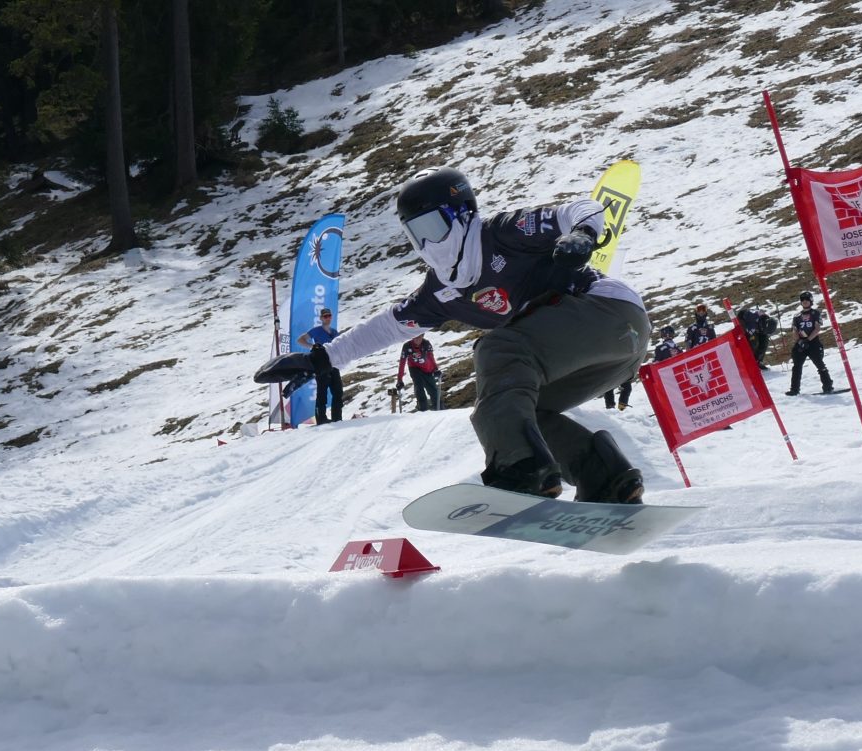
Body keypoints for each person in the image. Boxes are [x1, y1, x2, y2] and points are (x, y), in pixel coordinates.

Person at [264, 166, 651, 503]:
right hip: (608, 355)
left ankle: (521, 470)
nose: (428, 244)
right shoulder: (440, 292)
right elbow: (386, 327)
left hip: (610, 315)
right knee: (516, 411)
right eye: (416, 234)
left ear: (462, 214)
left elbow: (579, 209)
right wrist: (321, 359)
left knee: (497, 348)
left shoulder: (501, 234)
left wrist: (582, 234)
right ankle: (606, 479)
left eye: (433, 227)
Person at [297, 306, 343, 423]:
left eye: (329, 316)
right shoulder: (316, 330)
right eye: (325, 316)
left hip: (334, 364)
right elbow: (300, 340)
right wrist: (312, 347)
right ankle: (321, 418)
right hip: (321, 365)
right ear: (321, 318)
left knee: (338, 391)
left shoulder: (334, 332)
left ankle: (337, 418)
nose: (328, 318)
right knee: (322, 392)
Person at [786, 291, 835, 396]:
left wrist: (808, 340)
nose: (804, 302)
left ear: (811, 301)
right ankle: (794, 389)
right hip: (800, 343)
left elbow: (817, 328)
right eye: (802, 300)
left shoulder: (815, 313)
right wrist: (799, 341)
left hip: (813, 342)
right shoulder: (797, 316)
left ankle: (828, 386)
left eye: (807, 299)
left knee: (819, 364)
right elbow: (794, 330)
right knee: (797, 366)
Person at [396, 333, 442, 411]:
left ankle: (440, 408)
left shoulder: (426, 344)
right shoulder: (407, 346)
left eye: (419, 337)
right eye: (415, 337)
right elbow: (402, 363)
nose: (417, 339)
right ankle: (423, 409)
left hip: (428, 369)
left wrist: (435, 369)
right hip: (414, 368)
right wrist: (399, 379)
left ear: (422, 336)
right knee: (419, 386)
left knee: (433, 390)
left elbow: (431, 357)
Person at [737, 303, 777, 369]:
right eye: (765, 331)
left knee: (765, 340)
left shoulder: (766, 319)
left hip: (757, 326)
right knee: (754, 342)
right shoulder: (752, 318)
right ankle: (749, 362)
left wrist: (763, 332)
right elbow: (741, 316)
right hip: (745, 322)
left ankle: (758, 361)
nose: (765, 332)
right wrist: (746, 331)